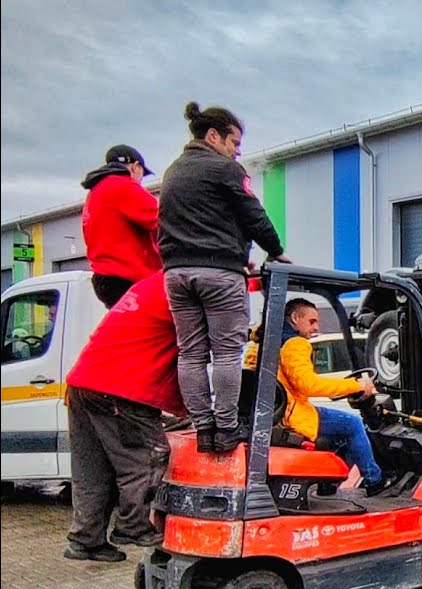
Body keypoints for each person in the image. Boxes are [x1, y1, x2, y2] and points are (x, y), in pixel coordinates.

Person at [158, 102, 290, 455]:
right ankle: (227, 428)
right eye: (235, 143)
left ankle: (203, 428)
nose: (237, 151)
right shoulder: (225, 169)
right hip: (219, 275)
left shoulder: (173, 172)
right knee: (228, 353)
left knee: (191, 353)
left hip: (176, 273)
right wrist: (275, 250)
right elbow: (253, 215)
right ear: (213, 136)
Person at [63, 271, 185, 562]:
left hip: (83, 383)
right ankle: (133, 526)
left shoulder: (151, 285)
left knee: (93, 470)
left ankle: (86, 539)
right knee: (148, 456)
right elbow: (194, 357)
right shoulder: (186, 289)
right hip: (120, 390)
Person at [245, 298, 384, 492]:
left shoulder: (262, 344)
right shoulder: (295, 344)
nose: (316, 328)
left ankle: (328, 485)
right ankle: (375, 481)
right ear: (295, 318)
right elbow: (309, 385)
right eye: (312, 322)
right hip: (292, 416)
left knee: (340, 433)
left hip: (277, 412)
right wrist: (355, 385)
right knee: (352, 424)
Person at [80, 145, 161, 308]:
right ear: (135, 166)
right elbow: (165, 219)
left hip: (105, 278)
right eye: (142, 174)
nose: (140, 181)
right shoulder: (123, 186)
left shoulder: (94, 193)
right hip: (128, 278)